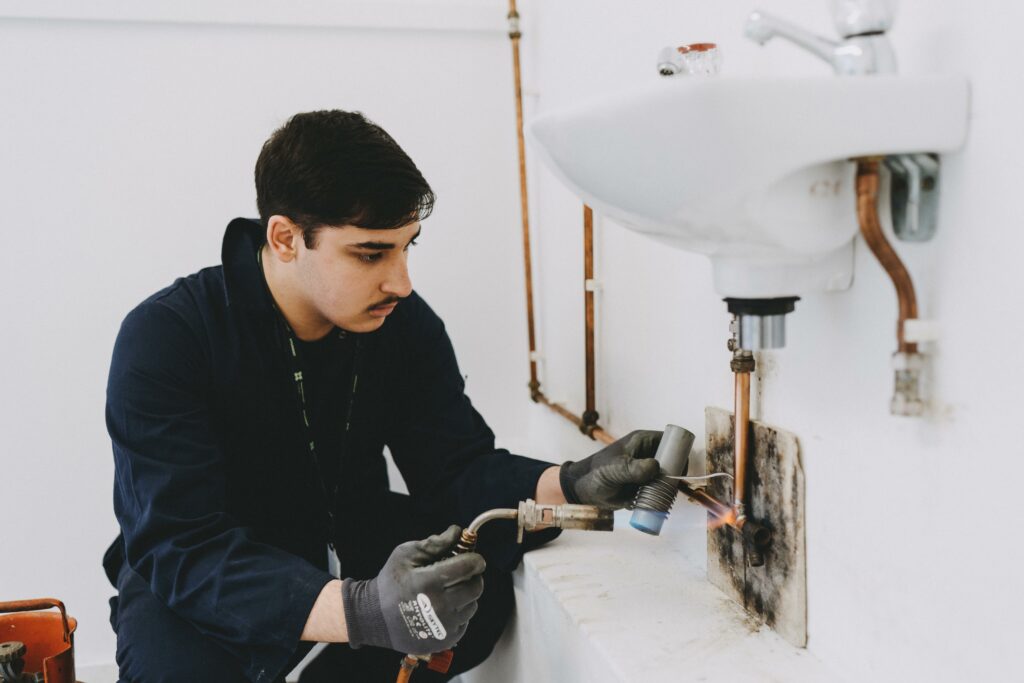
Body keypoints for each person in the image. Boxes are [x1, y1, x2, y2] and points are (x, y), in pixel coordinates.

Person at [102, 110, 664, 683]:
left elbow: (454, 469)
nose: (401, 281)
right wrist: (364, 611)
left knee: (478, 594)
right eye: (371, 254)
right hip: (206, 580)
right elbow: (182, 544)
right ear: (285, 238)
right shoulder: (167, 337)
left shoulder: (401, 323)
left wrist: (570, 483)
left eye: (406, 247)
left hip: (354, 543)